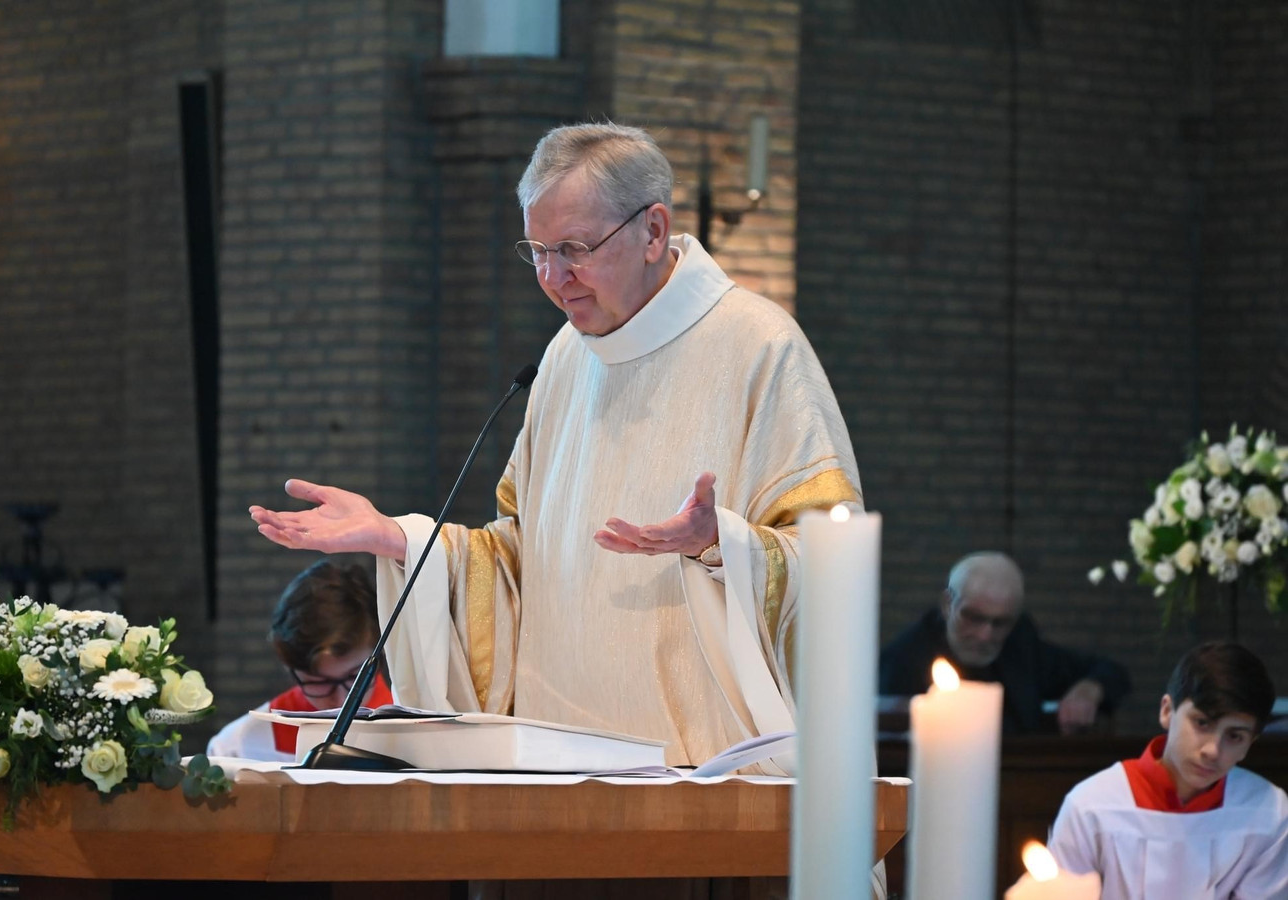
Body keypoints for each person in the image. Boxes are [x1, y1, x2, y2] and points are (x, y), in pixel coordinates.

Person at [250, 122, 884, 896]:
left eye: (576, 249)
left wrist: (721, 544)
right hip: (556, 787)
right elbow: (521, 562)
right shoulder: (561, 360)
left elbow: (834, 555)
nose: (554, 278)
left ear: (654, 229)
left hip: (706, 793)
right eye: (537, 252)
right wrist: (400, 538)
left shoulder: (758, 347)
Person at [1047, 641, 1288, 899]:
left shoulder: (1268, 813)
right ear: (1166, 711)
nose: (1212, 750)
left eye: (1234, 736)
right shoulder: (1090, 806)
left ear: (1250, 744)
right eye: (1202, 723)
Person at [878, 551, 1130, 734]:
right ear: (947, 604)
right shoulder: (901, 662)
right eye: (973, 617)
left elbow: (1112, 672)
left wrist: (1088, 689)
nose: (985, 635)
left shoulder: (1021, 647)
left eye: (1000, 623)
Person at [206, 558, 393, 761]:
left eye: (356, 678)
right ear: (290, 668)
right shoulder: (238, 746)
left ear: (380, 655)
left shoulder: (420, 734)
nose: (341, 701)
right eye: (319, 682)